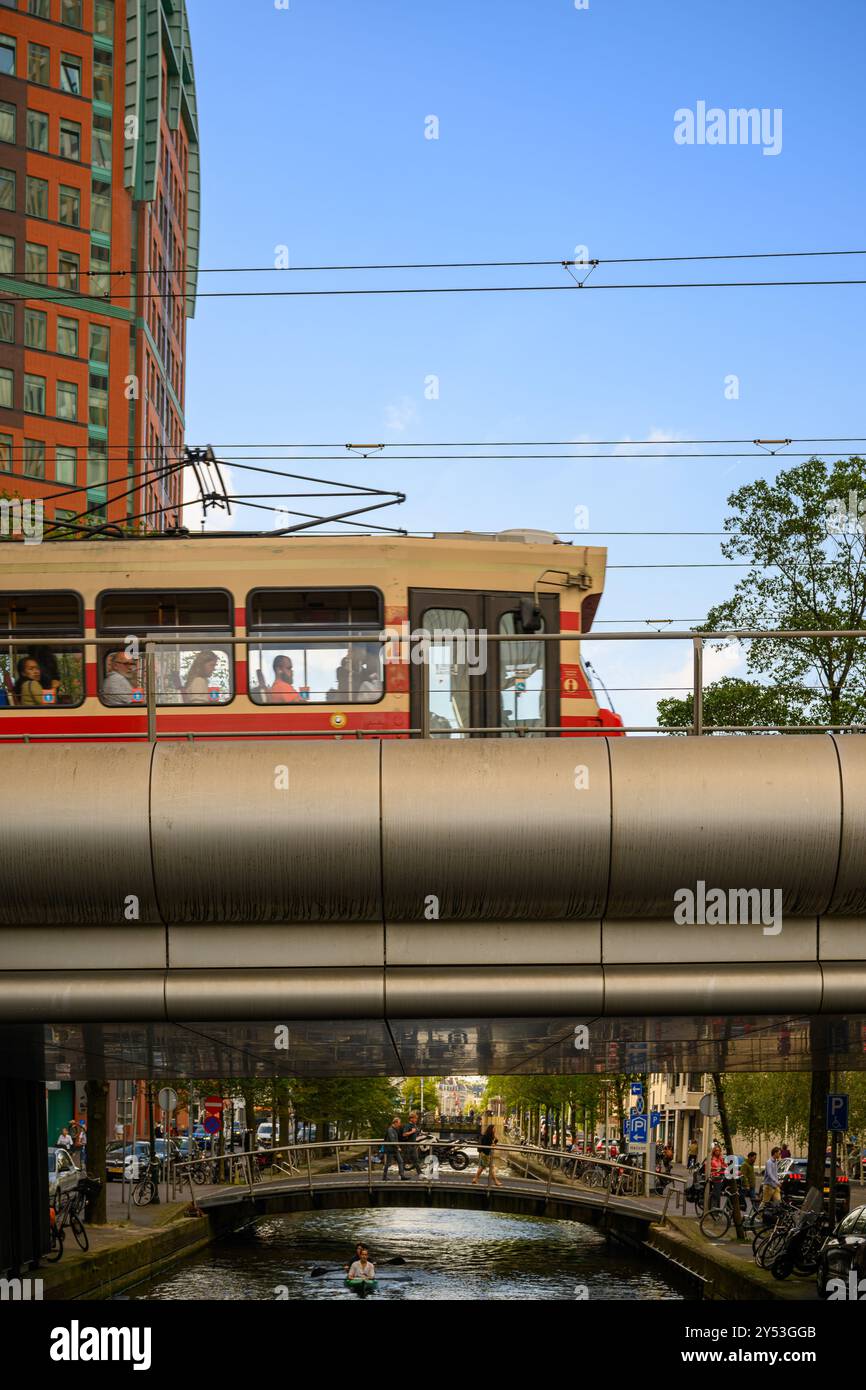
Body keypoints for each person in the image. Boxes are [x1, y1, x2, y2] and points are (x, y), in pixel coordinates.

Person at [472, 1116, 502, 1188]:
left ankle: (475, 1179)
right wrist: (492, 1144)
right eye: (494, 1129)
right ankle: (495, 1181)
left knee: (482, 1167)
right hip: (485, 1154)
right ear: (491, 1129)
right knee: (490, 1168)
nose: (495, 1130)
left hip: (486, 1154)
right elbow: (487, 1145)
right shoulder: (486, 1137)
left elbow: (496, 1141)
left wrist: (494, 1138)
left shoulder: (490, 1136)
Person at [382, 1116, 406, 1180]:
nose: (400, 1124)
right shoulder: (390, 1129)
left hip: (394, 1149)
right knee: (388, 1163)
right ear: (395, 1122)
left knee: (400, 1161)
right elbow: (392, 1140)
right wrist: (398, 1147)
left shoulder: (395, 1130)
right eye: (399, 1123)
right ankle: (384, 1177)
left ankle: (402, 1175)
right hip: (390, 1149)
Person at [402, 1111, 423, 1176]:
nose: (416, 1120)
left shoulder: (414, 1125)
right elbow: (404, 1134)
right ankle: (401, 1174)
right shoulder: (408, 1125)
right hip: (408, 1146)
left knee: (416, 1160)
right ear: (411, 1118)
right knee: (404, 1160)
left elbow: (415, 1134)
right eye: (415, 1118)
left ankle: (420, 1173)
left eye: (416, 1118)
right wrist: (412, 1131)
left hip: (413, 1146)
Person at [709, 1143, 726, 1208]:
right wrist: (715, 1169)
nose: (717, 1152)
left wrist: (725, 1168)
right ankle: (714, 1207)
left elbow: (724, 1166)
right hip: (714, 1177)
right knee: (716, 1193)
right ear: (714, 1151)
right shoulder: (711, 1159)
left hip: (720, 1176)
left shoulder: (721, 1159)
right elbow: (709, 1168)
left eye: (719, 1150)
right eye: (716, 1150)